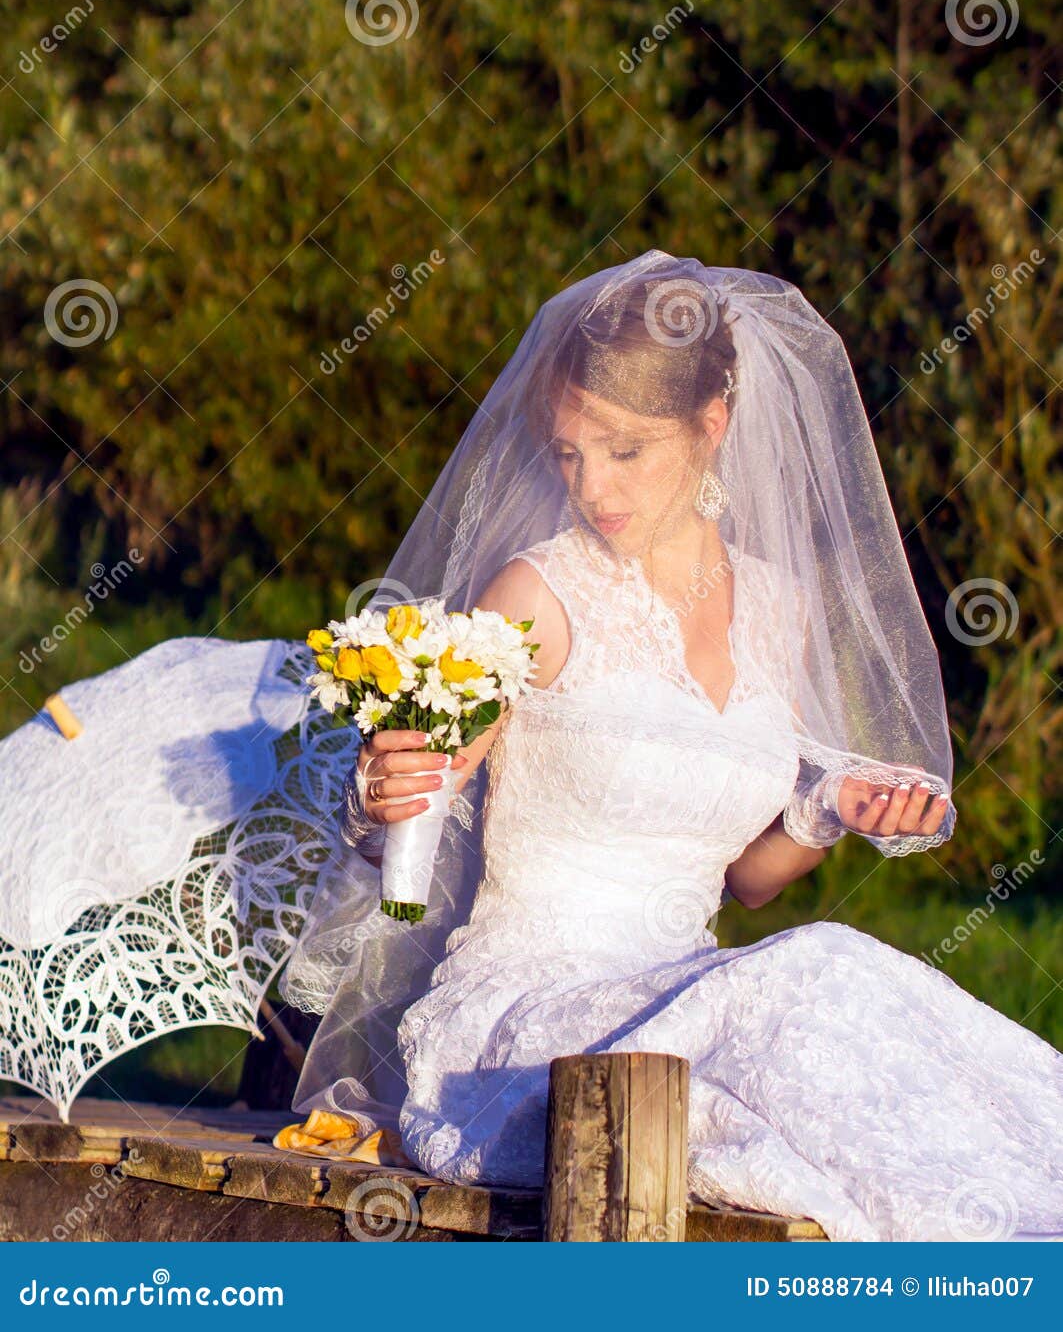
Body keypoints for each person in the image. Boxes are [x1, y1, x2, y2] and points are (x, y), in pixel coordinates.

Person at [277, 251, 1062, 1242]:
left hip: (686, 989)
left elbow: (750, 881)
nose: (593, 487)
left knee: (866, 1000)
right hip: (527, 1021)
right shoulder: (536, 596)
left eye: (626, 451)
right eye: (568, 453)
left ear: (712, 426)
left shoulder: (780, 609)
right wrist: (385, 787)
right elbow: (426, 787)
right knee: (817, 975)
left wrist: (830, 811)